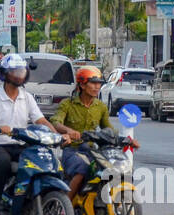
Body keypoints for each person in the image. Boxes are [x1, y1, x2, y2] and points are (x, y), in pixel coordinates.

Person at [0, 53, 68, 215]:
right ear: (5, 74)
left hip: (20, 145)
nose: (19, 75)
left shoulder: (26, 97)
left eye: (21, 71)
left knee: (42, 162)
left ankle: (25, 203)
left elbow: (40, 120)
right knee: (3, 164)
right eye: (14, 72)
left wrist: (57, 135)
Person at [51, 65, 135, 198]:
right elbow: (56, 122)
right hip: (72, 151)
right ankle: (65, 207)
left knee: (115, 168)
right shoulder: (67, 104)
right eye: (93, 83)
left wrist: (126, 140)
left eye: (99, 84)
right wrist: (69, 131)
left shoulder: (100, 107)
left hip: (93, 151)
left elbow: (108, 129)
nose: (97, 87)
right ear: (82, 85)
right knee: (82, 170)